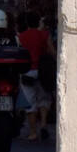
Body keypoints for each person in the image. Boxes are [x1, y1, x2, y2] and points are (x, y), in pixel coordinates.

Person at [18, 10, 55, 140]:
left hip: (27, 72)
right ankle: (43, 125)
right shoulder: (45, 35)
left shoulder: (21, 37)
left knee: (30, 103)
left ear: (27, 22)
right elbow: (52, 52)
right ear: (38, 21)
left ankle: (33, 132)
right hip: (43, 71)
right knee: (44, 99)